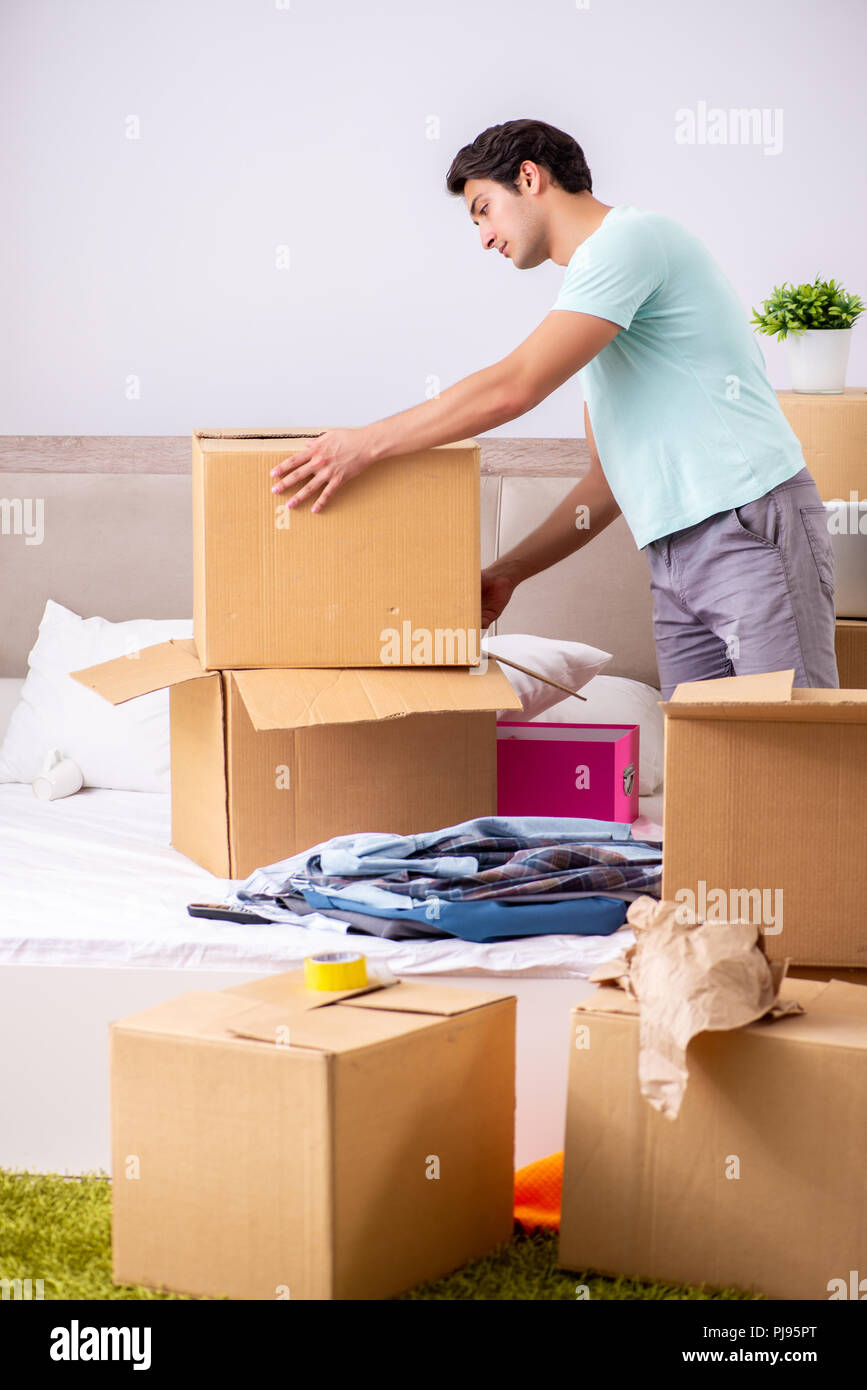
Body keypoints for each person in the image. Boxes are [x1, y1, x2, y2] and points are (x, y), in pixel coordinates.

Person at [269, 118, 839, 697]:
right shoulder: (596, 308)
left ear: (528, 176)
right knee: (710, 767)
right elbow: (607, 482)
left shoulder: (629, 241)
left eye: (484, 209)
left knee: (795, 750)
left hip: (747, 523)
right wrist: (507, 572)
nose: (485, 237)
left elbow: (514, 387)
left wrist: (363, 445)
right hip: (674, 557)